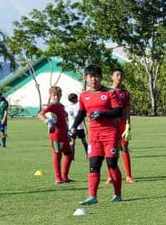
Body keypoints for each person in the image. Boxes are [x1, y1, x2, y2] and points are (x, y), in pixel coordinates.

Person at [78, 69, 130, 205]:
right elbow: (81, 113)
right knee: (94, 165)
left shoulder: (110, 92)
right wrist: (72, 127)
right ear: (86, 79)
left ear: (101, 78)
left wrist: (102, 113)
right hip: (94, 135)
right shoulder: (83, 95)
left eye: (96, 77)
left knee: (111, 164)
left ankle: (117, 194)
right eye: (90, 77)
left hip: (111, 133)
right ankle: (92, 197)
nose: (93, 80)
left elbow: (118, 112)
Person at [40, 86, 72, 184]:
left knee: (69, 155)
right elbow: (40, 114)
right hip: (56, 134)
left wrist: (67, 131)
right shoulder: (50, 106)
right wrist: (47, 120)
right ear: (50, 95)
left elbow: (64, 119)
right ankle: (58, 178)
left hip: (64, 133)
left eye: (58, 95)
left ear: (61, 95)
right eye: (54, 95)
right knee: (57, 154)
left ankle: (65, 177)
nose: (56, 97)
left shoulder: (61, 106)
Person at [110, 68, 137, 181]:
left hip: (122, 124)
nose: (119, 77)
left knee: (124, 147)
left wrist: (128, 125)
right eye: (117, 75)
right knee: (111, 150)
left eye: (121, 75)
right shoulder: (107, 91)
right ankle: (111, 176)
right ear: (112, 77)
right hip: (111, 124)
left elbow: (127, 110)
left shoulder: (125, 93)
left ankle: (128, 175)